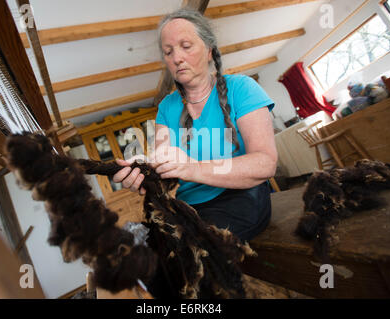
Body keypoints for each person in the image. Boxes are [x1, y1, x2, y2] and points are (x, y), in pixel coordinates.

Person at [113, 8, 277, 243]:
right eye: (168, 52)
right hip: (190, 208)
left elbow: (265, 163)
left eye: (186, 46)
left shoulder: (241, 88)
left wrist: (192, 168)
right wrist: (144, 173)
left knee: (189, 249)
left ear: (209, 50)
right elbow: (163, 164)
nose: (176, 58)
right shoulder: (167, 108)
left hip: (241, 198)